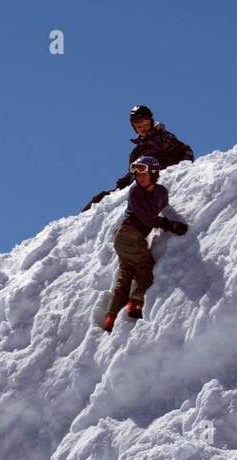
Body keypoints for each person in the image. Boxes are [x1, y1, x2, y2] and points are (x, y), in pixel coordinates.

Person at [102, 155, 188, 332]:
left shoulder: (161, 192)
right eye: (136, 172)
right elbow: (146, 217)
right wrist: (168, 225)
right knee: (144, 265)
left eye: (143, 172)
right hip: (127, 233)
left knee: (125, 274)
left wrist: (172, 221)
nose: (138, 177)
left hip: (128, 239)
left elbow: (165, 208)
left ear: (154, 172)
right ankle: (135, 303)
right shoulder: (135, 192)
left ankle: (111, 317)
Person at [82, 104, 194, 212]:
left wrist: (169, 167)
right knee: (100, 198)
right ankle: (79, 225)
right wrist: (126, 179)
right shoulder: (136, 152)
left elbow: (186, 151)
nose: (143, 128)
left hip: (158, 181)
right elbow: (135, 172)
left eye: (145, 124)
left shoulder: (163, 137)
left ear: (151, 121)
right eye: (138, 126)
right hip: (137, 185)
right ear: (134, 127)